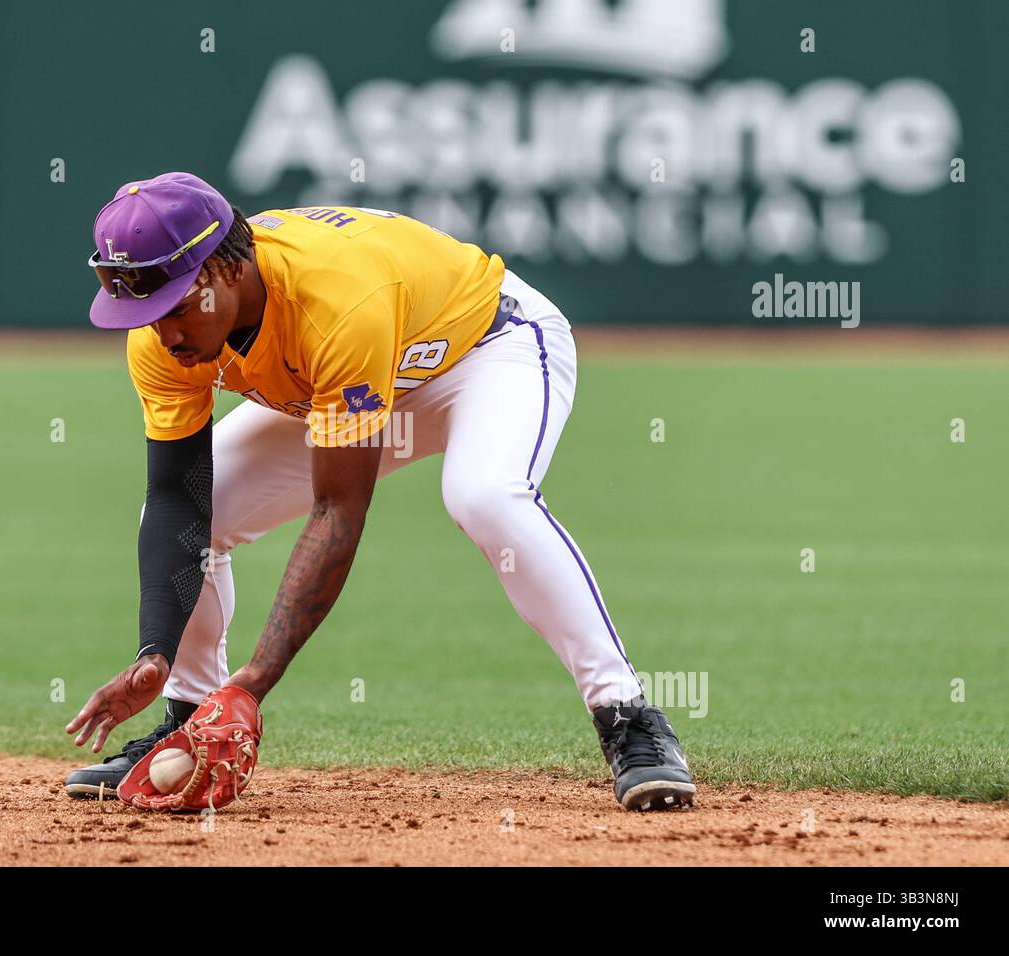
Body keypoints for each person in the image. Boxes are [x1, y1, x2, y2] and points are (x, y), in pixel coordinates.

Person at [63, 172, 695, 812]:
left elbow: (338, 507)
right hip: (347, 375)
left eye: (171, 306)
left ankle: (627, 715)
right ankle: (189, 720)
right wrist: (155, 652)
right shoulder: (161, 339)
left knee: (484, 496)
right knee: (210, 502)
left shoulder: (336, 300)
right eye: (142, 312)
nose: (162, 332)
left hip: (484, 350)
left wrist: (254, 683)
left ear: (223, 269)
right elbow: (179, 500)